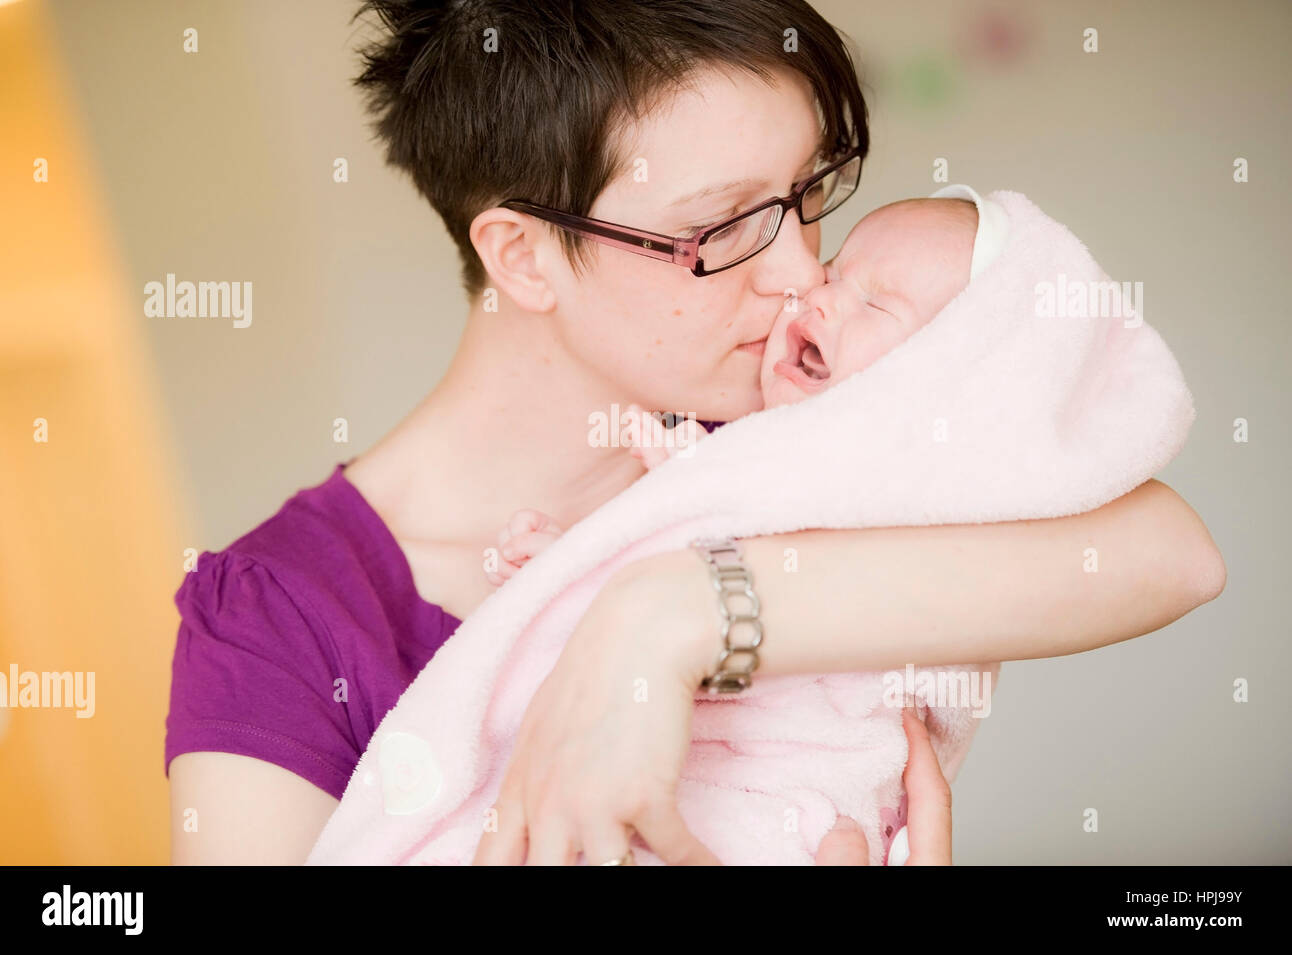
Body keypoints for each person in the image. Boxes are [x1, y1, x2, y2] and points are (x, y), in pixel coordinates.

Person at [167, 0, 1225, 865]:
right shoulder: (279, 626)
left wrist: (666, 616)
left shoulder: (790, 437)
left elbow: (1169, 551)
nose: (804, 271)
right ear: (525, 257)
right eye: (721, 228)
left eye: (808, 191)